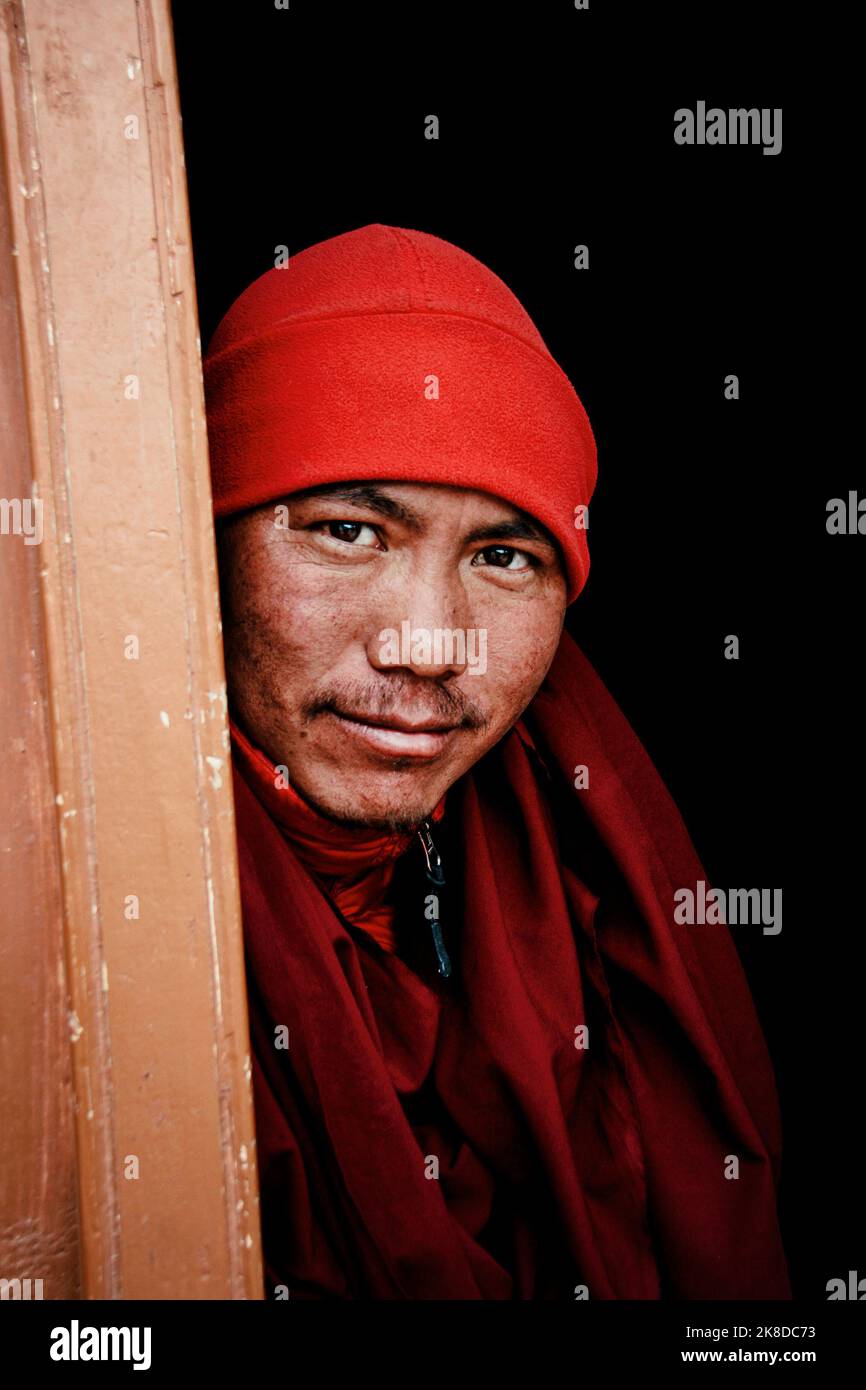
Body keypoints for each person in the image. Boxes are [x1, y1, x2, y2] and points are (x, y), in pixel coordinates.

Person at [203, 223, 790, 1299]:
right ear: (207, 547)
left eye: (504, 555)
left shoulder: (583, 869)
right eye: (346, 531)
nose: (426, 644)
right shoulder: (69, 909)